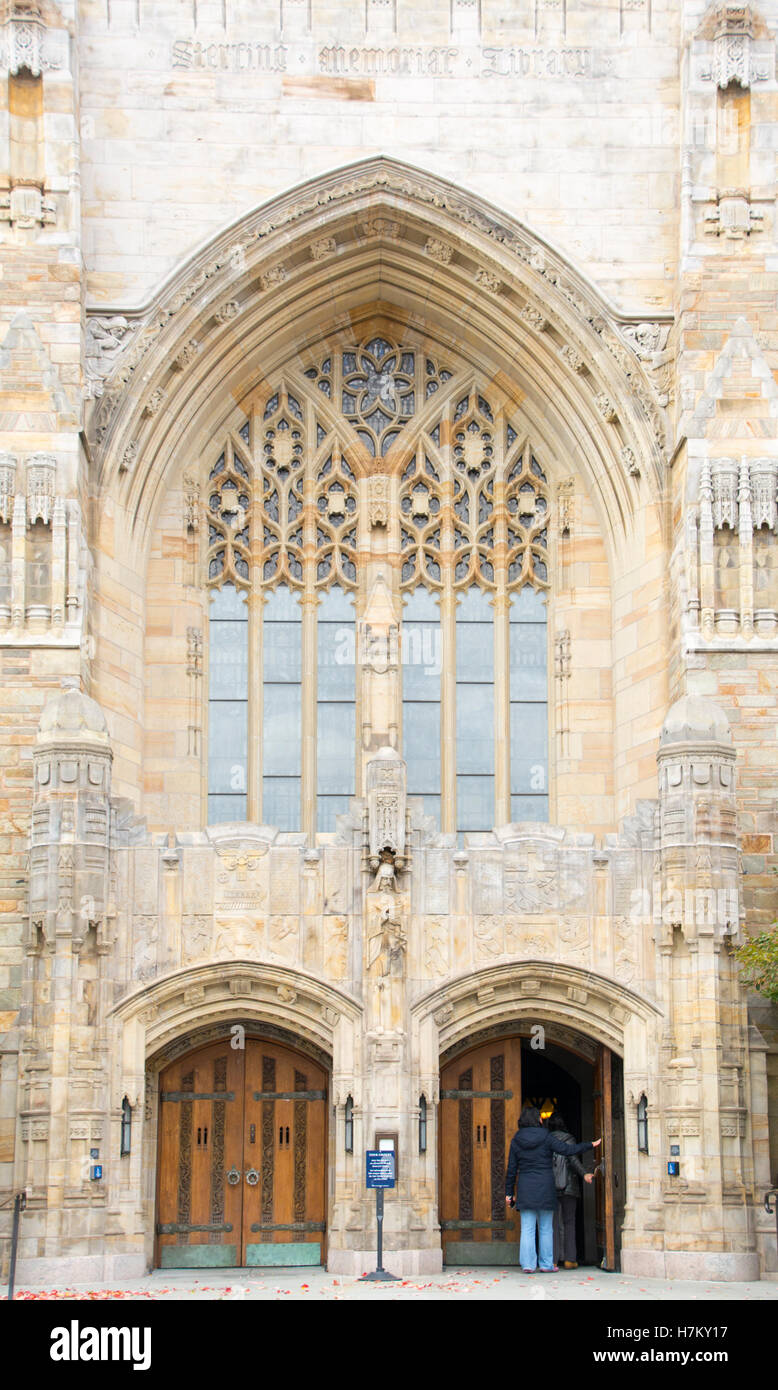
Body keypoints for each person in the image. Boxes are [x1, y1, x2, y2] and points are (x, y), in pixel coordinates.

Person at [504, 1105, 600, 1273]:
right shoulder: (545, 1137)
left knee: (527, 1228)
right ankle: (547, 1264)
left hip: (526, 1186)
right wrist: (589, 1145)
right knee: (546, 1228)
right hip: (545, 1186)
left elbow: (511, 1168)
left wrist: (509, 1193)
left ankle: (528, 1264)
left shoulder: (517, 1139)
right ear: (537, 1119)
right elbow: (567, 1150)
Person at [546, 1110, 594, 1269]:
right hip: (569, 1187)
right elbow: (573, 1160)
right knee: (569, 1222)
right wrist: (585, 1174)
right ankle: (569, 1259)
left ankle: (552, 1259)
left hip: (550, 1187)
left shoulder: (546, 1140)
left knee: (551, 1224)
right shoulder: (569, 1139)